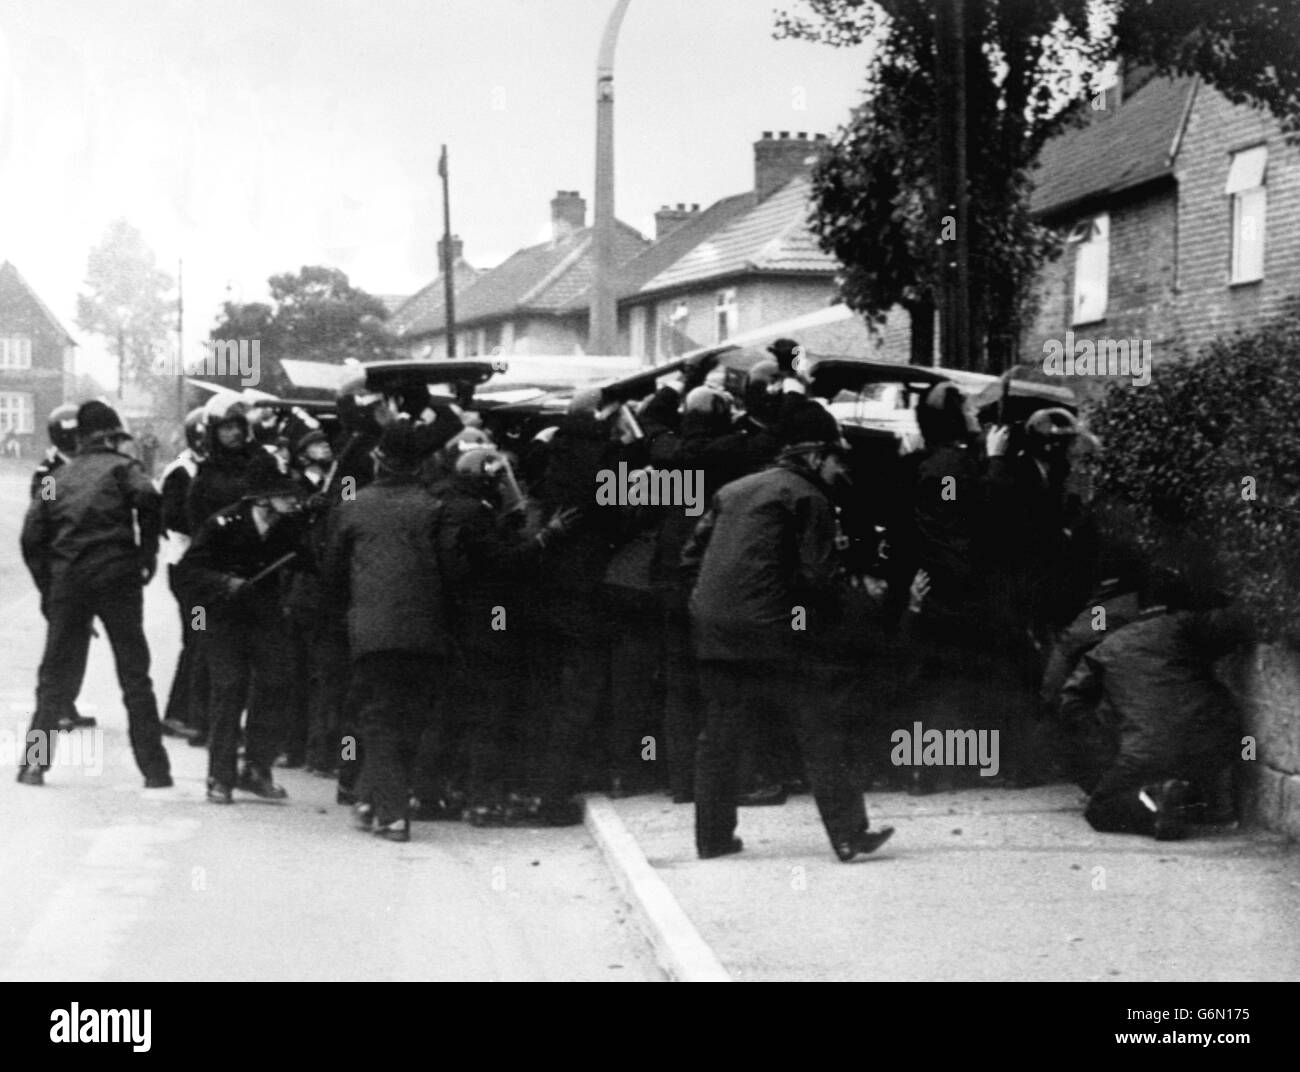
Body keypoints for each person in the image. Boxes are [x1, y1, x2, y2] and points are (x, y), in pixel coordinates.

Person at [682, 398, 895, 862]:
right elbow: (819, 579)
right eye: (838, 460)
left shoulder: (734, 490)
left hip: (714, 631)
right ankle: (848, 834)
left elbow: (690, 557)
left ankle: (713, 840)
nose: (842, 471)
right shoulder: (809, 496)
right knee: (820, 728)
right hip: (774, 635)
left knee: (718, 737)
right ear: (817, 456)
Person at [18, 401, 172, 788]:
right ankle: (155, 770)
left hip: (69, 582)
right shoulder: (124, 469)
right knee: (135, 676)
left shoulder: (58, 477)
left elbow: (32, 536)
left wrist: (48, 587)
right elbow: (151, 501)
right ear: (113, 436)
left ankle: (35, 764)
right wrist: (147, 552)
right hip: (118, 579)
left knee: (54, 677)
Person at [322, 422, 451, 842]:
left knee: (377, 719)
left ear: (378, 460)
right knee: (409, 717)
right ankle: (372, 798)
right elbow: (450, 570)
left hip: (371, 632)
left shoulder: (353, 507)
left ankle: (391, 812)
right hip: (426, 631)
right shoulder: (434, 507)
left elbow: (332, 573)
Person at [1060, 575, 1252, 840]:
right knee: (1184, 765)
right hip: (1216, 742)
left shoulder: (1103, 651)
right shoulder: (1181, 626)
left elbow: (1071, 701)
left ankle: (1154, 806)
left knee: (1101, 809)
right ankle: (1191, 800)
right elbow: (1238, 622)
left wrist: (1106, 742)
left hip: (1148, 752)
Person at [176, 451, 307, 804]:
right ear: (262, 498)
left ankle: (257, 768)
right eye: (284, 495)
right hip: (223, 617)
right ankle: (220, 775)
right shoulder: (223, 524)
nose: (292, 500)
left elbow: (310, 558)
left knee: (276, 682)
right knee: (229, 687)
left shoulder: (291, 525)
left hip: (265, 616)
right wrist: (224, 583)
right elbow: (188, 573)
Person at [28, 403, 97, 732]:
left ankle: (67, 701)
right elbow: (41, 526)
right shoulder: (49, 474)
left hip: (86, 566)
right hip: (59, 570)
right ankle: (51, 709)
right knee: (59, 646)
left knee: (80, 638)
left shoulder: (88, 467)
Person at [157, 407, 208, 743]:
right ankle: (181, 713)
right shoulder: (181, 473)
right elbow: (172, 519)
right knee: (198, 636)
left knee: (203, 638)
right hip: (187, 568)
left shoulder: (207, 469)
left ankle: (188, 712)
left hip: (203, 567)